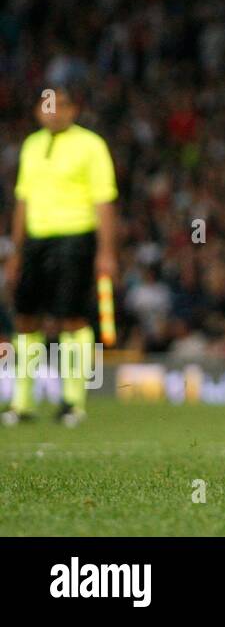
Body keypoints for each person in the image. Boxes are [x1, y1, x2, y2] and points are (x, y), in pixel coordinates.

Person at [3, 84, 118, 427]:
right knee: (25, 319)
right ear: (38, 110)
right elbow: (22, 201)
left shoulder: (91, 145)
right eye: (46, 104)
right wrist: (15, 250)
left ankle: (73, 402)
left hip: (75, 239)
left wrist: (106, 252)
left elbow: (105, 201)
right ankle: (21, 403)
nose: (52, 111)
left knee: (72, 319)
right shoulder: (31, 145)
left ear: (73, 110)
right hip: (36, 242)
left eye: (60, 105)